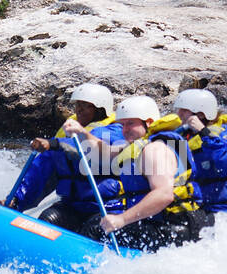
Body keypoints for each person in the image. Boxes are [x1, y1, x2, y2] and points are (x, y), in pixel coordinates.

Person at [63, 96, 205, 251]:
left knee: (95, 229)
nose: (125, 130)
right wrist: (81, 131)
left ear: (149, 122)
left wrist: (121, 219)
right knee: (98, 222)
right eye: (122, 125)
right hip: (160, 223)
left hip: (174, 229)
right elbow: (103, 152)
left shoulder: (155, 150)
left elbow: (164, 194)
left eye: (131, 123)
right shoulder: (139, 147)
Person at [2, 83, 123, 231]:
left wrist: (55, 144)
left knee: (92, 230)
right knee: (48, 219)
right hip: (72, 205)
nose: (79, 109)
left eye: (86, 105)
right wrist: (16, 200)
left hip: (108, 206)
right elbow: (40, 171)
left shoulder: (116, 131)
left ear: (100, 110)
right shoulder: (65, 135)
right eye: (78, 104)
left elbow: (85, 148)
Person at [171, 88, 227, 215]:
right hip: (196, 208)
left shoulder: (221, 134)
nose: (179, 115)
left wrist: (204, 133)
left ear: (200, 114)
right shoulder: (182, 138)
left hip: (225, 209)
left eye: (184, 110)